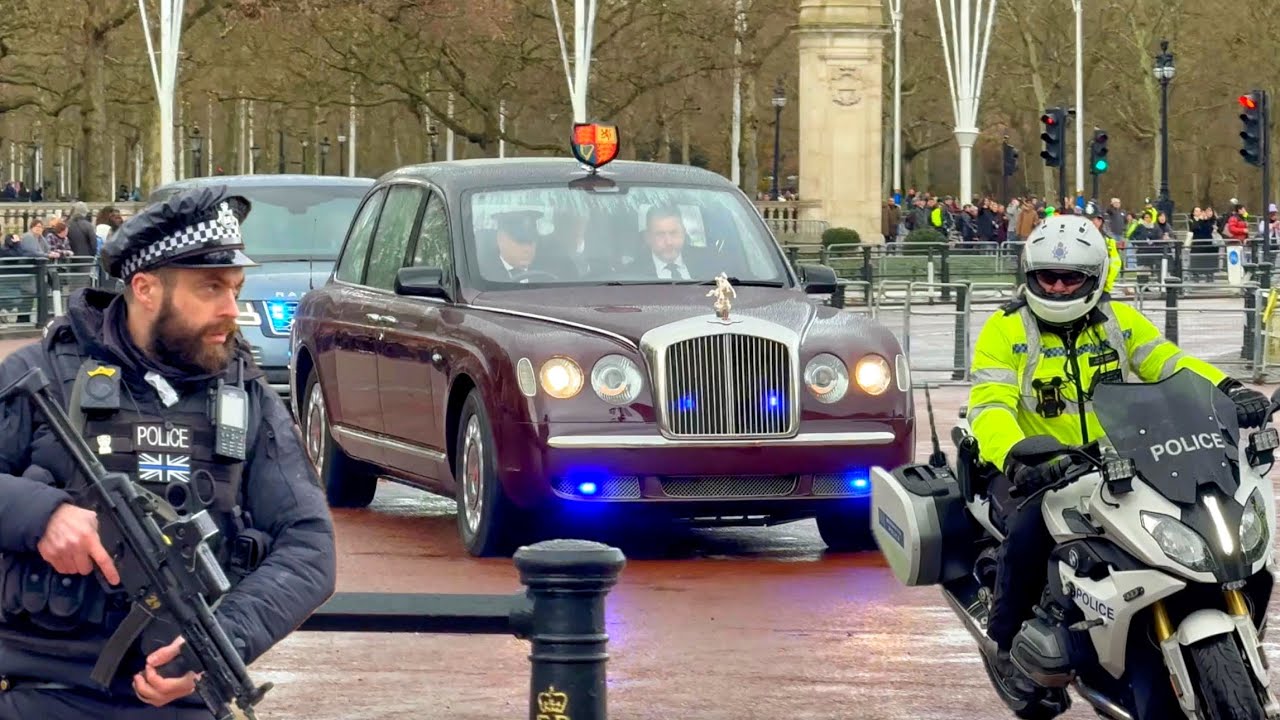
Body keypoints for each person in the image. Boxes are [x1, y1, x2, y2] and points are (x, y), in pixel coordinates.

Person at [0, 185, 337, 718]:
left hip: (182, 700)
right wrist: (39, 515)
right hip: (42, 693)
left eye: (236, 288)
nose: (233, 309)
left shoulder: (246, 397)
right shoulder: (41, 376)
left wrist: (219, 644)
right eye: (211, 289)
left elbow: (309, 546)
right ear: (145, 288)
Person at [966, 214, 1268, 718]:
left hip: (1120, 459)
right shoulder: (1005, 329)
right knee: (1026, 531)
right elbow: (990, 404)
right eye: (1047, 277)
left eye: (1072, 278)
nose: (1059, 287)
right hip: (1044, 466)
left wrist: (1230, 389)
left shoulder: (1119, 320)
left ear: (1096, 278)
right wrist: (1018, 454)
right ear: (1029, 274)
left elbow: (1170, 363)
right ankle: (1005, 639)